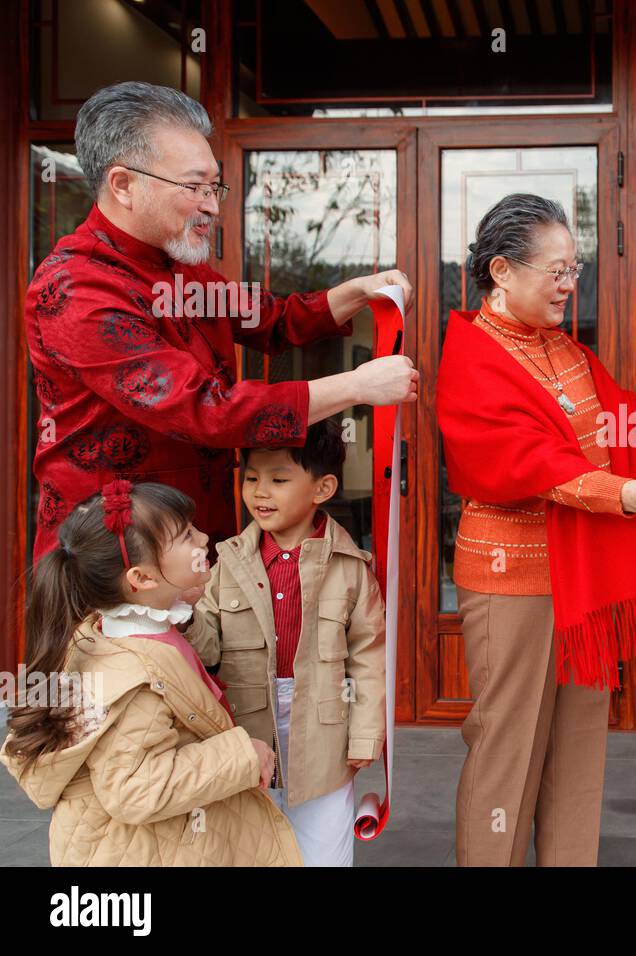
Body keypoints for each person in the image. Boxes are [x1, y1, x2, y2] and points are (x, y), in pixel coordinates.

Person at [436, 193, 636, 866]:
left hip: (584, 579)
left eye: (575, 268)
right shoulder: (473, 356)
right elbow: (531, 464)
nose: (571, 284)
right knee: (506, 754)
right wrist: (629, 494)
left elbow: (620, 418)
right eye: (557, 269)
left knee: (578, 752)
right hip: (514, 579)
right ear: (504, 272)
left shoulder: (564, 349)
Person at [27, 80, 418, 562]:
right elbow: (206, 409)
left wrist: (355, 293)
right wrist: (358, 387)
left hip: (197, 541)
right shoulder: (75, 288)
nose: (212, 205)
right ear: (123, 185)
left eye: (214, 186)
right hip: (114, 558)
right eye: (193, 187)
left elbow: (272, 321)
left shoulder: (180, 267)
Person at [0, 481, 301, 866]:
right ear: (142, 579)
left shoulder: (126, 626)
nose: (204, 537)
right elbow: (135, 790)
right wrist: (242, 757)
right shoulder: (134, 682)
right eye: (186, 535)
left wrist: (179, 596)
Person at [183, 419, 385, 867]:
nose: (260, 492)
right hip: (248, 721)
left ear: (322, 488)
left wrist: (366, 733)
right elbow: (209, 648)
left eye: (278, 480)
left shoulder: (349, 567)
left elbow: (369, 656)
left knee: (323, 840)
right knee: (253, 840)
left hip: (324, 724)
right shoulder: (227, 562)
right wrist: (182, 616)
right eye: (252, 477)